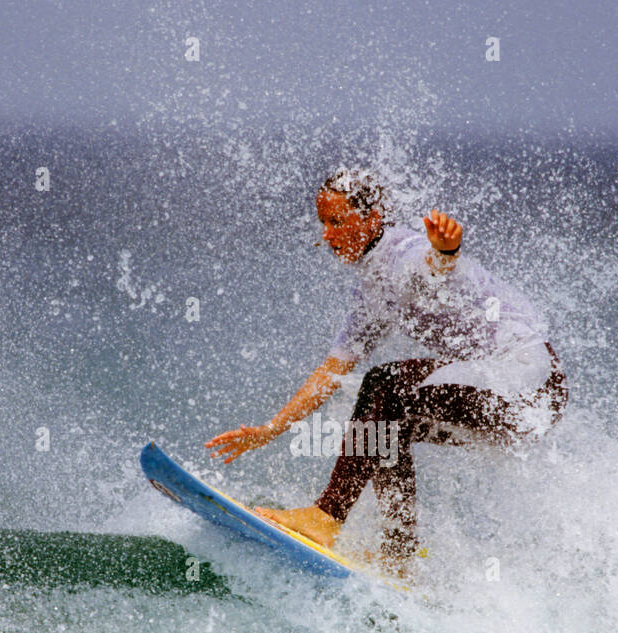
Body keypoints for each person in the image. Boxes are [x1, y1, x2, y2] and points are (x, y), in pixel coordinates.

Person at [206, 168, 567, 575]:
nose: (327, 235)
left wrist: (446, 251)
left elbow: (430, 267)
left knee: (386, 385)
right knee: (388, 423)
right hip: (509, 390)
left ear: (372, 218)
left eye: (337, 222)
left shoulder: (403, 255)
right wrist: (272, 429)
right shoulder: (371, 290)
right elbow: (332, 368)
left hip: (527, 384)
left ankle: (327, 518)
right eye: (323, 223)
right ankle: (399, 554)